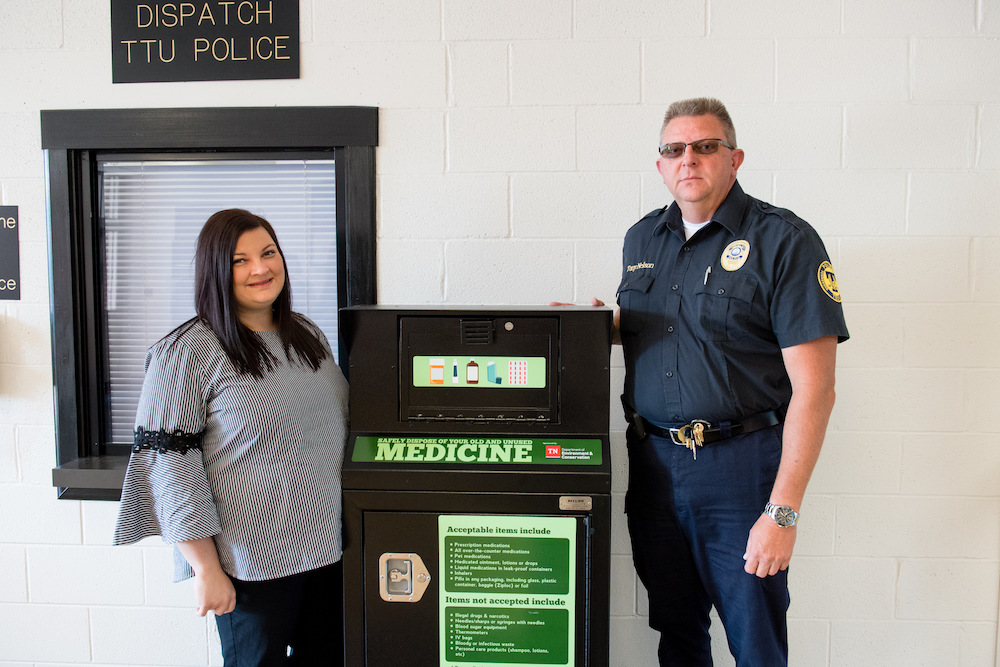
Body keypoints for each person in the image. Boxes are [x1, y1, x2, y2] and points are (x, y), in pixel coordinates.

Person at [564, 98, 848, 665]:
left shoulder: (785, 240)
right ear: (661, 165)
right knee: (677, 630)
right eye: (674, 149)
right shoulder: (643, 240)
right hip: (655, 466)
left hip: (741, 472)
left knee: (756, 640)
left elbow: (816, 389)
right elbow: (669, 328)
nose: (688, 159)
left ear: (734, 158)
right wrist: (590, 327)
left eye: (704, 146)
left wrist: (783, 512)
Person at [113, 209, 349, 666]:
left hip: (328, 551)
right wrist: (206, 569)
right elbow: (169, 466)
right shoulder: (186, 351)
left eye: (268, 253)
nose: (261, 268)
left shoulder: (307, 334)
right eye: (240, 260)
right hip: (250, 562)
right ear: (215, 270)